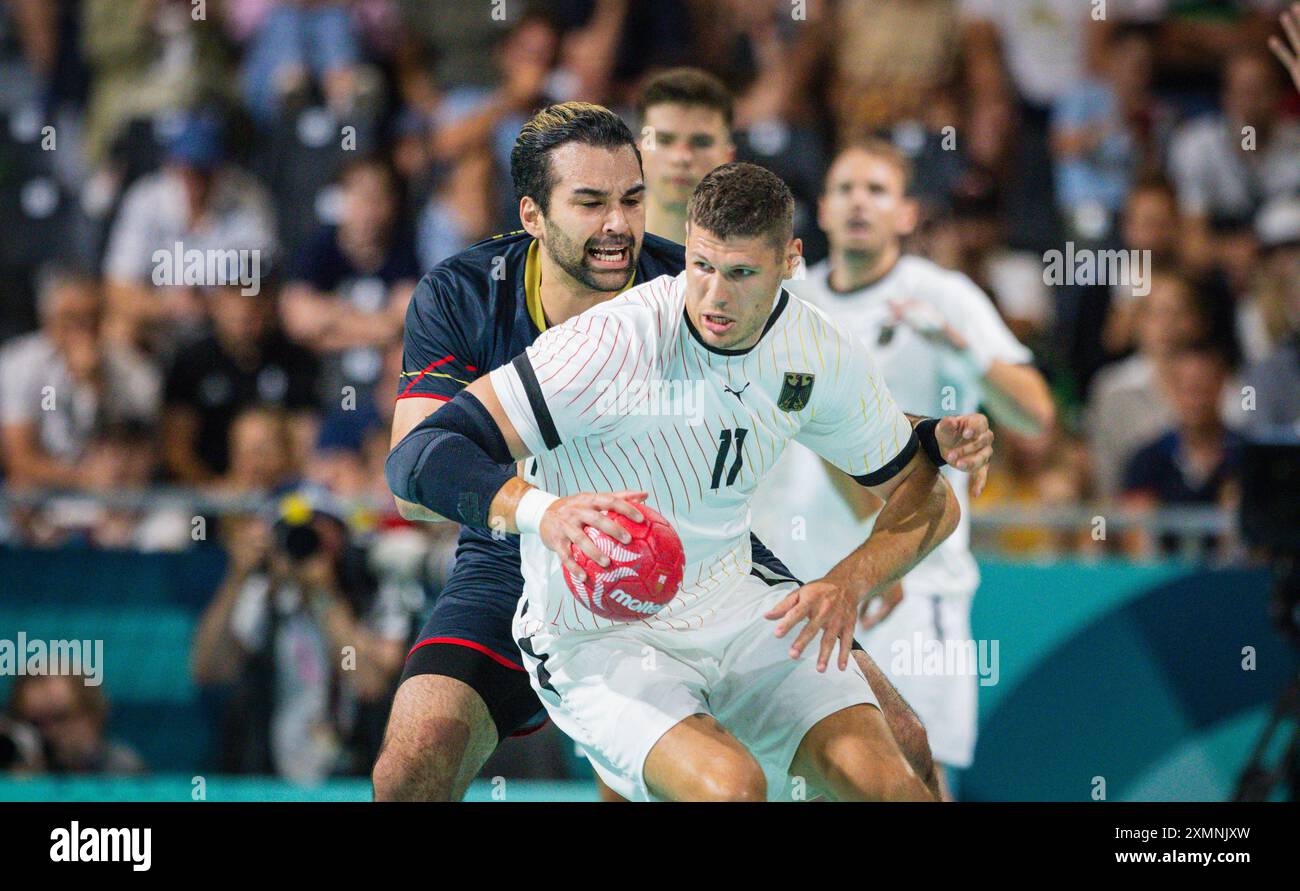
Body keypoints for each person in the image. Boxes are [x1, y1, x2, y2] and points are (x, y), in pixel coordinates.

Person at [373, 102, 995, 801]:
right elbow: (413, 473)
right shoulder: (499, 304)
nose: (617, 225)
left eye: (631, 200)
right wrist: (544, 512)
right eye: (590, 202)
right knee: (416, 759)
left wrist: (876, 533)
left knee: (903, 750)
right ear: (533, 216)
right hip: (523, 554)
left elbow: (815, 407)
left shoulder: (711, 284)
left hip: (705, 556)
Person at [750, 140, 1053, 797]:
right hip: (801, 589)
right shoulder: (783, 303)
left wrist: (961, 349)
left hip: (915, 587)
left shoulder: (943, 296)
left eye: (878, 189)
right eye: (847, 187)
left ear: (909, 212)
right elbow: (808, 429)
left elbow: (1034, 416)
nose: (861, 200)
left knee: (920, 772)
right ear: (822, 209)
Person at [636, 67, 735, 244]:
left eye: (701, 142)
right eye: (664, 140)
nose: (681, 158)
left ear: (728, 156)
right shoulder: (593, 257)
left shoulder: (770, 266)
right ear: (637, 152)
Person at [7, 675, 144, 775]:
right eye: (34, 723)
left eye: (60, 717)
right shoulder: (16, 769)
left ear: (93, 715)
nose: (48, 732)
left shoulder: (121, 769)